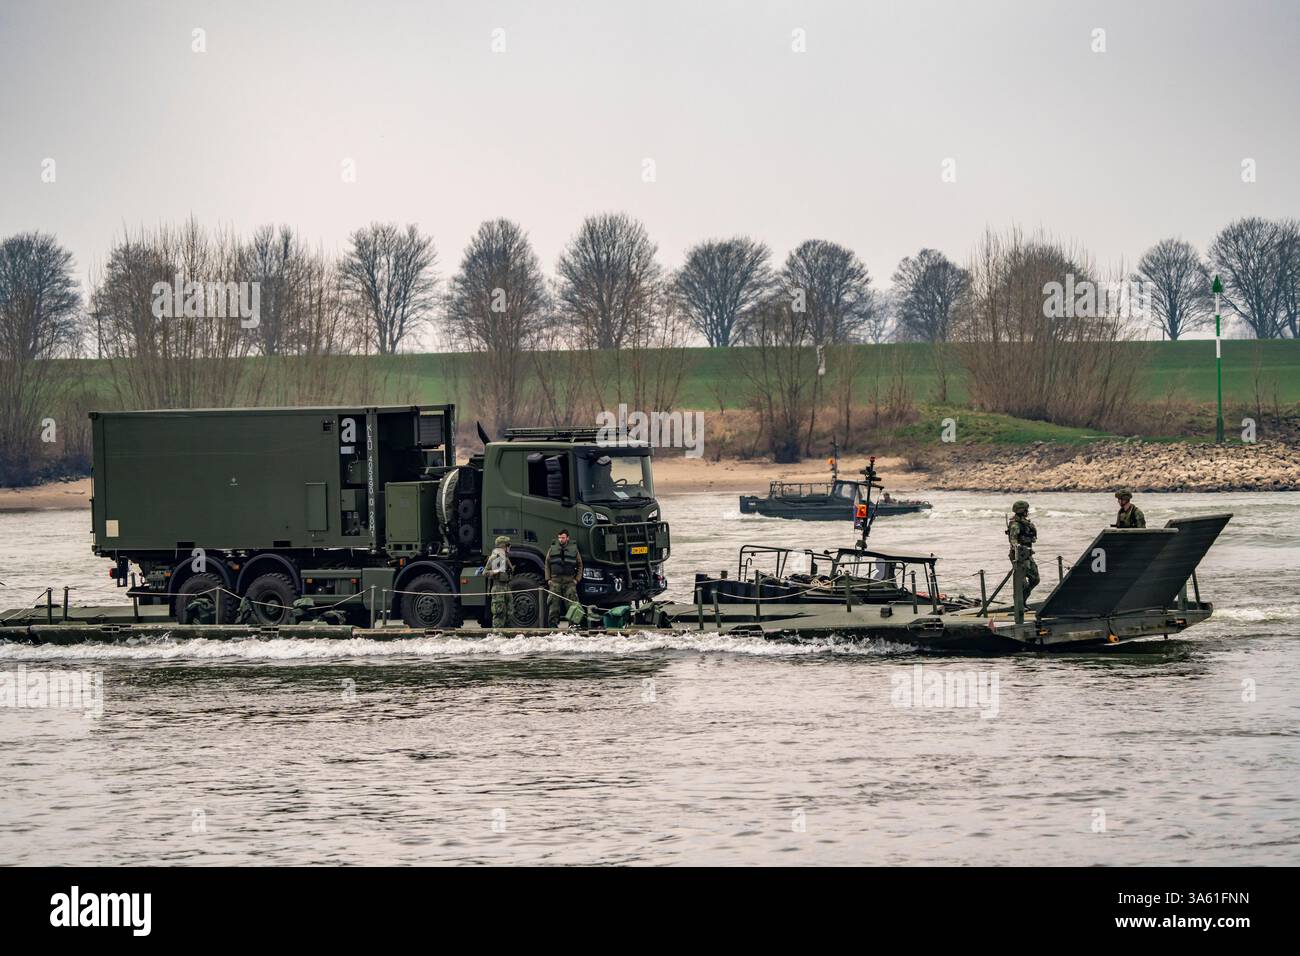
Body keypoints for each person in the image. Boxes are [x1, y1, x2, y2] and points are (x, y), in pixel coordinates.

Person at [545, 529, 583, 626]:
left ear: (567, 538)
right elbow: (547, 564)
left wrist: (577, 579)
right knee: (554, 606)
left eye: (563, 537)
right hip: (555, 581)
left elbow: (580, 565)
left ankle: (574, 625)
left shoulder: (574, 549)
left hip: (569, 581)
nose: (561, 540)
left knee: (573, 605)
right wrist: (548, 579)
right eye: (559, 537)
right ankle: (553, 626)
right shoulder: (552, 549)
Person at [1006, 500, 1040, 600]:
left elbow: (1033, 538)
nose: (1028, 512)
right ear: (1023, 511)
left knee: (1035, 579)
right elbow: (1013, 541)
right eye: (1026, 510)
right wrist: (1021, 549)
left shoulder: (1026, 523)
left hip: (1027, 555)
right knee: (1022, 583)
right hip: (1018, 556)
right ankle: (1019, 604)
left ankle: (1023, 599)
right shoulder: (1015, 525)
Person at [486, 535, 514, 628]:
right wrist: (494, 571)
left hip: (506, 587)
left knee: (510, 613)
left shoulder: (505, 557)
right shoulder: (494, 558)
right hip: (498, 588)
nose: (509, 547)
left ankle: (507, 636)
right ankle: (497, 636)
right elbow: (485, 572)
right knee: (499, 614)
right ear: (503, 546)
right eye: (508, 545)